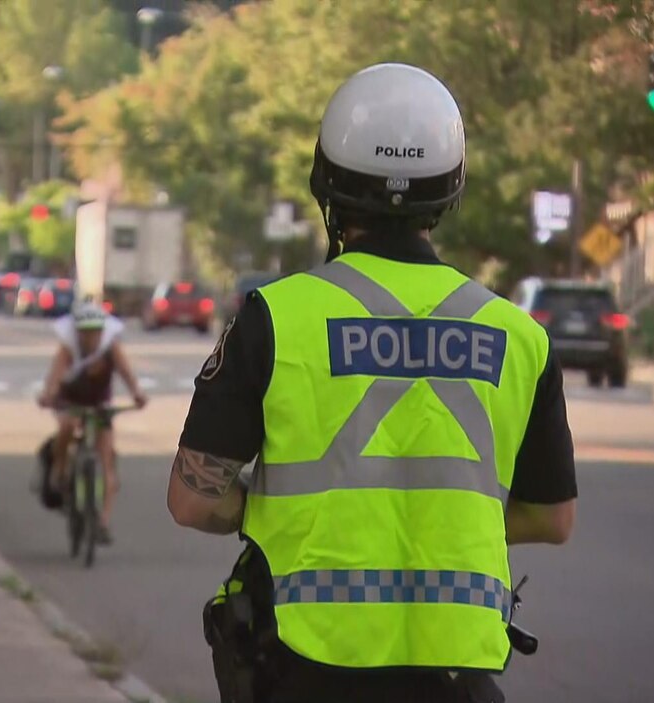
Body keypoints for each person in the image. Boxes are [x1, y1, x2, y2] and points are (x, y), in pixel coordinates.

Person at [166, 63, 578, 703]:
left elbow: (193, 501)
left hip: (308, 667)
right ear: (450, 188)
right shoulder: (520, 336)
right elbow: (553, 518)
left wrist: (283, 514)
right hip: (456, 676)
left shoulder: (276, 319)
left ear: (326, 181)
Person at [37, 301, 148, 544]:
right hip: (70, 401)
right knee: (67, 426)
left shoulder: (111, 348)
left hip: (99, 404)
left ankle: (102, 523)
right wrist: (48, 394)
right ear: (77, 332)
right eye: (86, 332)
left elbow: (127, 373)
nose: (91, 337)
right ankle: (59, 470)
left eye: (95, 331)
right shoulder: (68, 349)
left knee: (107, 459)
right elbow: (55, 376)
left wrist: (137, 394)